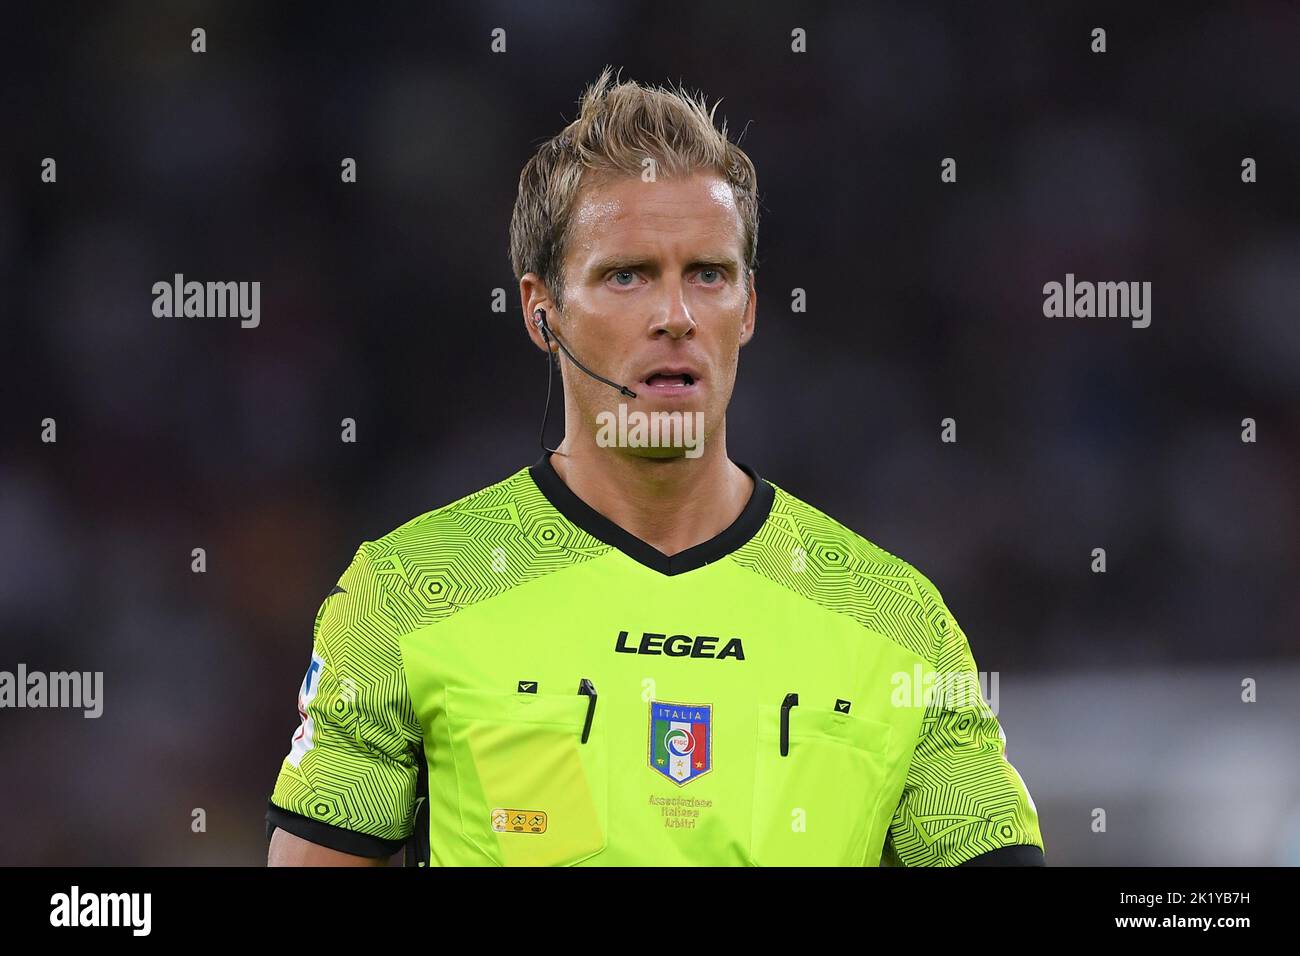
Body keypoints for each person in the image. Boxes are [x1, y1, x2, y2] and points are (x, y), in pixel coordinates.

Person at [266, 66, 1044, 867]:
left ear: (746, 309)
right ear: (542, 311)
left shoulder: (899, 625)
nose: (674, 317)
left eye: (708, 274)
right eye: (626, 275)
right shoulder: (407, 596)